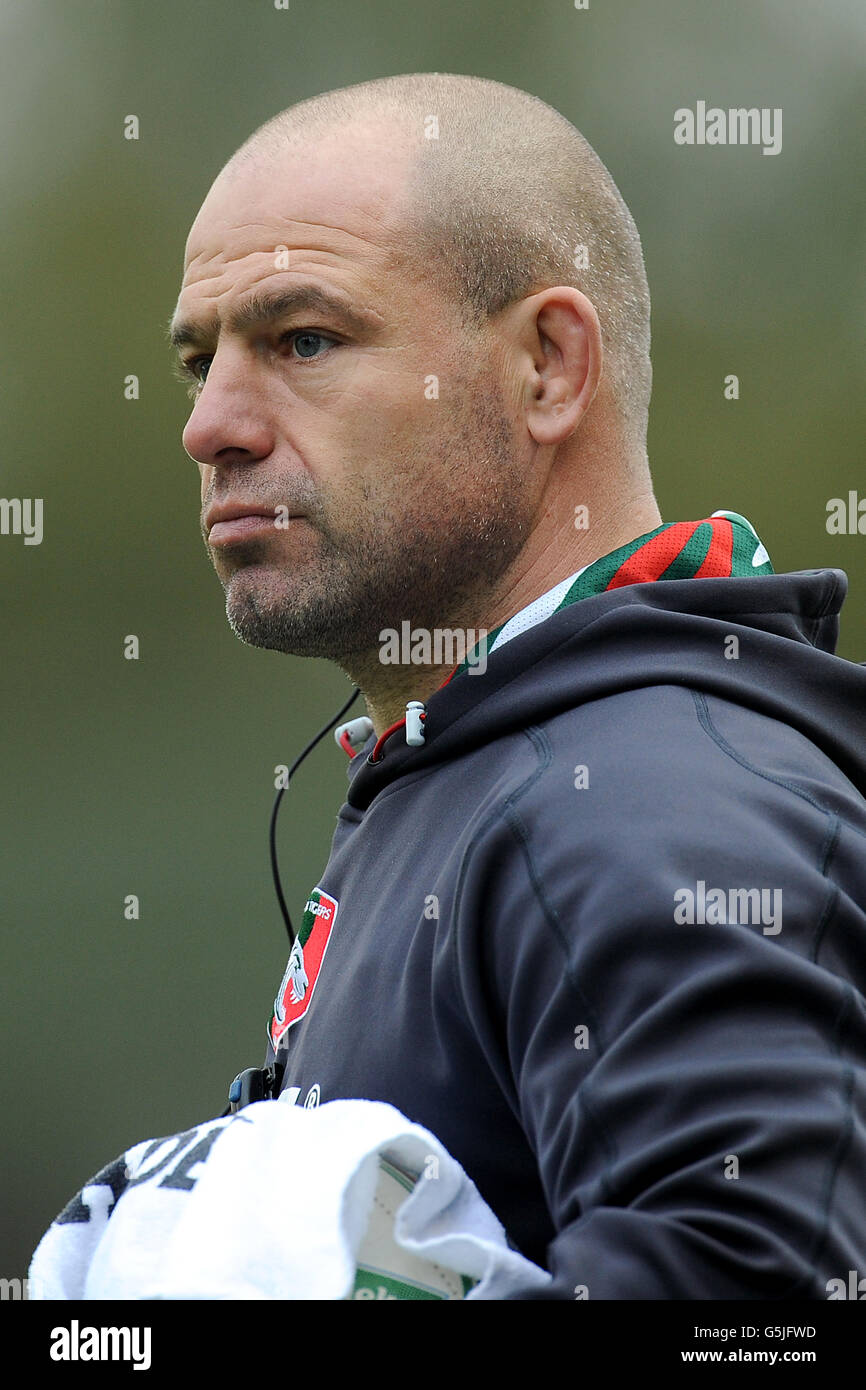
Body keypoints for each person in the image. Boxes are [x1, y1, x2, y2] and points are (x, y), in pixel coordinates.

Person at [167, 72, 866, 1298]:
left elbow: (765, 1300)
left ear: (547, 366)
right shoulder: (501, 759)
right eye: (198, 361)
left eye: (303, 340)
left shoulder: (640, 795)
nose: (211, 424)